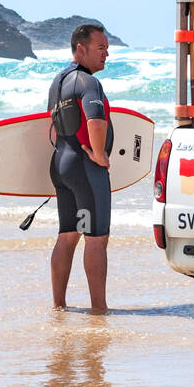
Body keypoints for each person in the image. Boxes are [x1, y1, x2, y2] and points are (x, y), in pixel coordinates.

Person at [47, 24, 113, 312]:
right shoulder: (88, 83)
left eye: (107, 49)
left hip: (62, 164)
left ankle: (59, 306)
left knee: (68, 234)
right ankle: (99, 309)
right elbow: (95, 120)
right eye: (101, 48)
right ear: (80, 49)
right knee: (96, 239)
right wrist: (99, 155)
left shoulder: (57, 82)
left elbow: (52, 129)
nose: (106, 54)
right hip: (86, 171)